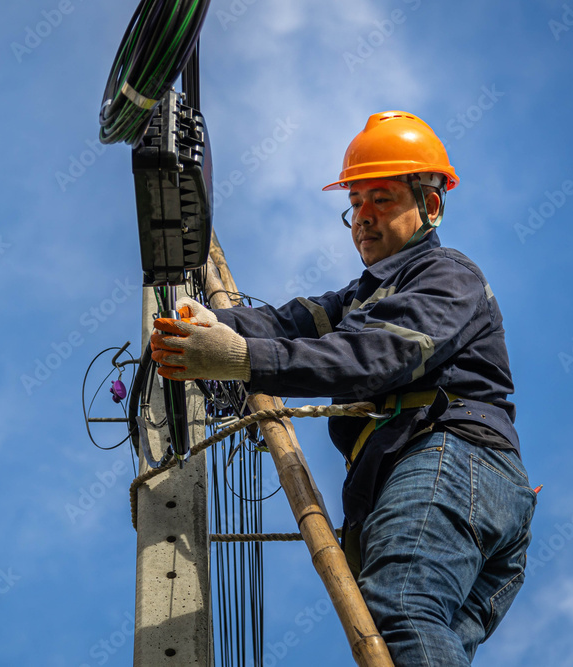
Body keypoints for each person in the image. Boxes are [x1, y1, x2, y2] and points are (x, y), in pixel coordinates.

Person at [150, 110, 537, 665]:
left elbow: (369, 357)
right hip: (463, 490)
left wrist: (239, 360)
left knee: (400, 613)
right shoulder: (363, 294)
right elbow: (286, 324)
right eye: (355, 204)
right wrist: (207, 322)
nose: (363, 218)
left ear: (430, 205)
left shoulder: (447, 274)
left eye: (381, 199)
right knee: (416, 641)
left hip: (456, 464)